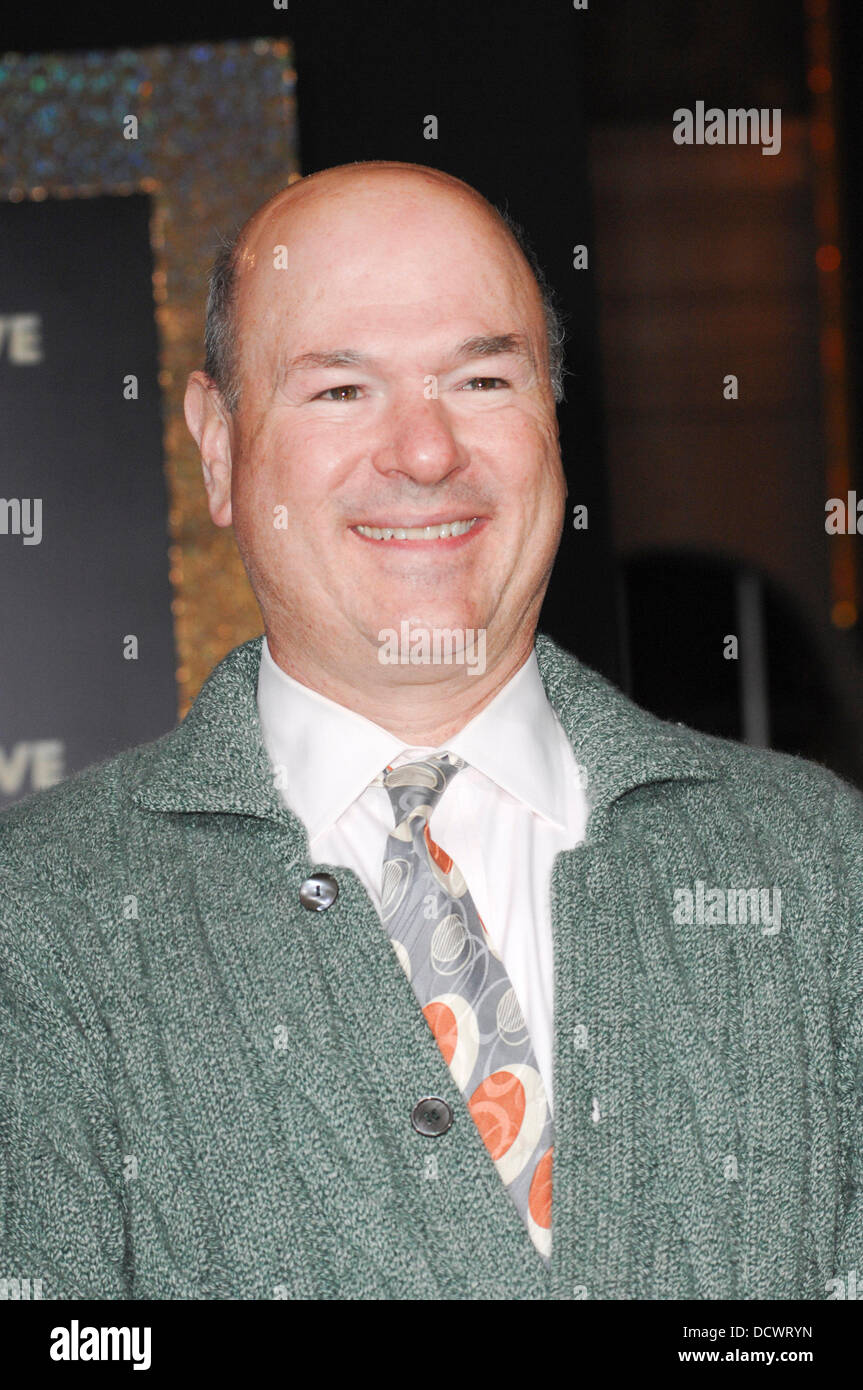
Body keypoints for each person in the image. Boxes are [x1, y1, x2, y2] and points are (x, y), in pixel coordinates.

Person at [1, 161, 861, 1301]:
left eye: (481, 377)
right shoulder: (39, 925)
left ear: (553, 414)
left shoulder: (814, 867)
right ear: (218, 444)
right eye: (340, 390)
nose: (423, 451)